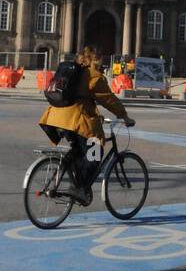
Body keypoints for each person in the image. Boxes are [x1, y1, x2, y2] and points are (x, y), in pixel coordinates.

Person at [39, 46, 135, 205]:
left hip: (55, 118)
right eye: (101, 57)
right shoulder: (94, 76)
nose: (103, 60)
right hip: (76, 121)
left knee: (80, 151)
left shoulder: (74, 72)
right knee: (95, 153)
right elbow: (108, 99)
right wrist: (124, 116)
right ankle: (79, 189)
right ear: (94, 59)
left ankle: (74, 181)